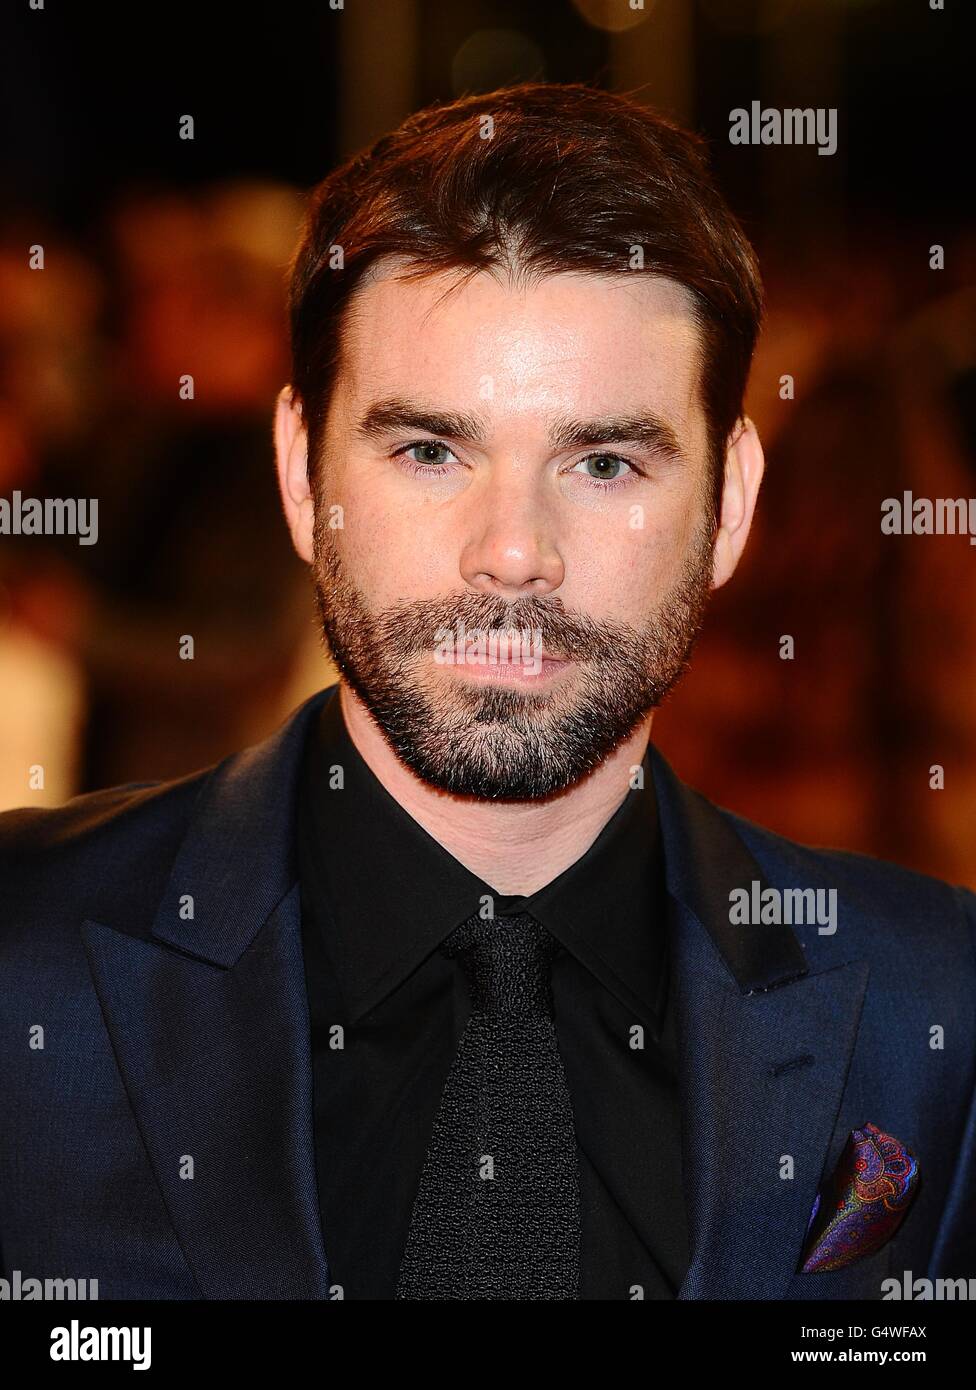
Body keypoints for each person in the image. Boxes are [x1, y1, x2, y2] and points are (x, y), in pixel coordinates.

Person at [1, 83, 973, 1302]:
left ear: (728, 505)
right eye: (428, 451)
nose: (512, 549)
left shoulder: (936, 1017)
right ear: (302, 474)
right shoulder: (22, 961)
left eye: (604, 460)